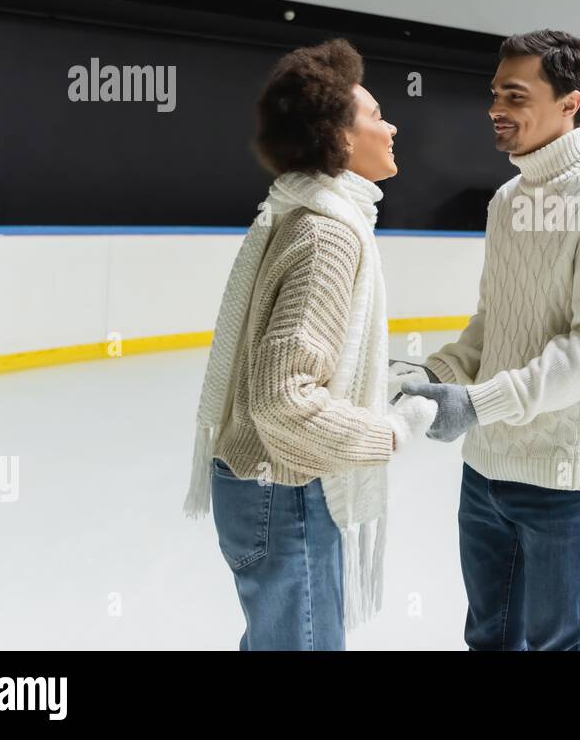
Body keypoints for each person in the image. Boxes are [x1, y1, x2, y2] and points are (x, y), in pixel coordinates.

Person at [183, 38, 435, 650]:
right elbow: (283, 400)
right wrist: (393, 430)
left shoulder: (296, 217)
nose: (391, 124)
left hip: (255, 487)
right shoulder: (328, 235)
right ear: (342, 139)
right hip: (285, 495)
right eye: (376, 115)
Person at [403, 29, 580, 650]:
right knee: (487, 638)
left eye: (515, 96)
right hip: (485, 473)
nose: (495, 109)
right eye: (494, 94)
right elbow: (492, 324)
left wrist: (477, 404)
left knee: (555, 645)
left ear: (570, 103)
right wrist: (435, 376)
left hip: (563, 482)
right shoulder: (507, 201)